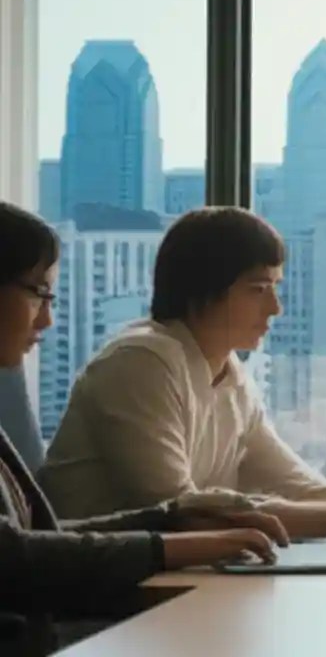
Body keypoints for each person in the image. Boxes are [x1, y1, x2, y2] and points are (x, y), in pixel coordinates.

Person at [38, 207, 326, 543]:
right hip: (93, 585)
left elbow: (297, 487)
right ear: (201, 290)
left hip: (165, 576)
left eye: (275, 287)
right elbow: (180, 511)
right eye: (258, 290)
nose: (275, 308)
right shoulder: (141, 362)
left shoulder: (230, 376)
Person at [0, 202, 288, 622]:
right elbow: (13, 557)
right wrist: (174, 544)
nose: (46, 319)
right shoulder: (143, 360)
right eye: (38, 294)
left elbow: (40, 537)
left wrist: (171, 519)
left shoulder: (232, 377)